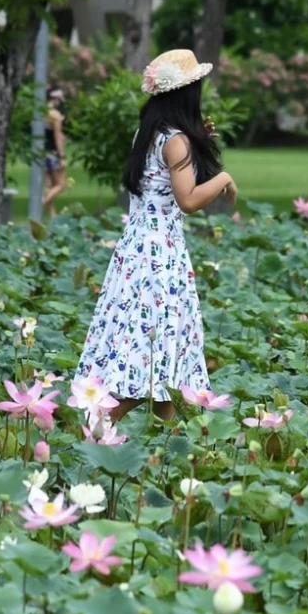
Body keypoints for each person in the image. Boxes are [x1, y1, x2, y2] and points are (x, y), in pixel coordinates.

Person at [76, 49, 237, 423]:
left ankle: (167, 443)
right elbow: (189, 200)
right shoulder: (175, 141)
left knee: (161, 345)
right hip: (159, 257)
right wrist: (224, 179)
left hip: (136, 250)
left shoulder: (150, 133)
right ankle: (102, 423)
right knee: (157, 344)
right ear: (187, 92)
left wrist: (195, 143)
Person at [41, 89, 69, 219]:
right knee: (61, 185)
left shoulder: (40, 114)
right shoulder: (55, 115)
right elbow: (57, 137)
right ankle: (40, 204)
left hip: (41, 153)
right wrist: (62, 156)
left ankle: (53, 219)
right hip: (53, 153)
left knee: (51, 186)